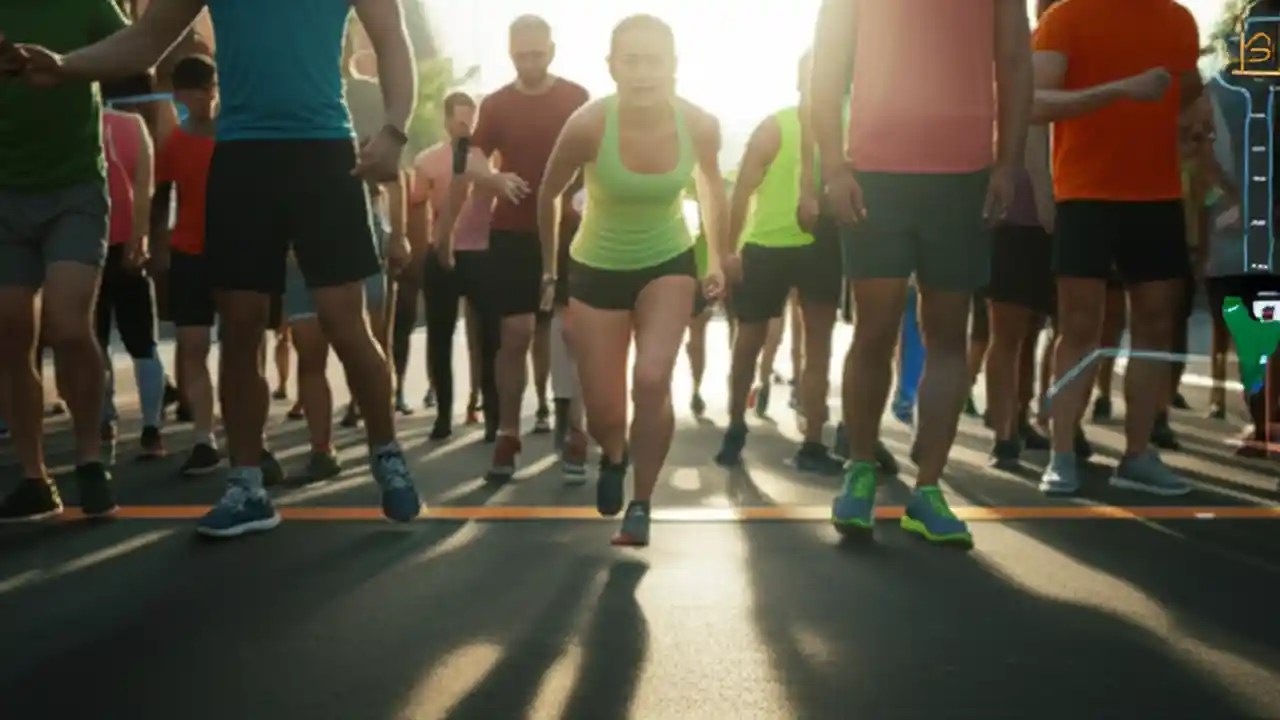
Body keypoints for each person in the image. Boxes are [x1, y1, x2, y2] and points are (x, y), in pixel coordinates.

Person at [9, 0, 424, 536]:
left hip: (322, 152)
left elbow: (392, 39)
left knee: (345, 322)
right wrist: (65, 66)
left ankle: (386, 453)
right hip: (242, 156)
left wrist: (395, 128)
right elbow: (144, 40)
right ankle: (247, 485)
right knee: (241, 322)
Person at [812, 0, 1033, 547]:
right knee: (875, 328)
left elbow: (1015, 62)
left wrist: (1008, 163)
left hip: (963, 177)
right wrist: (834, 166)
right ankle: (860, 469)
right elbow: (827, 63)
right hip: (875, 172)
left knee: (947, 334)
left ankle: (928, 491)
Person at [538, 13, 728, 546]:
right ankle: (614, 457)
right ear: (612, 66)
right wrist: (550, 269)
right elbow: (547, 194)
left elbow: (712, 188)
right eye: (631, 61)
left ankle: (642, 502)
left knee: (650, 378)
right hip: (596, 269)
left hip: (667, 261)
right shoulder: (588, 125)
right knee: (605, 411)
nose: (643, 72)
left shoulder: (699, 124)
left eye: (654, 61)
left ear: (673, 65)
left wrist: (716, 257)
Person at [1032, 0, 1202, 496]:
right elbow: (1035, 102)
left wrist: (1190, 124)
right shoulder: (1066, 17)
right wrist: (1119, 91)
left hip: (1158, 195)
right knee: (1079, 327)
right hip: (1086, 195)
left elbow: (1186, 91)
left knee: (1155, 327)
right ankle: (1061, 454)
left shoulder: (1177, 19)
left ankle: (1137, 455)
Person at [0, 0, 129, 523]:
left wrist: (66, 63)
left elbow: (131, 55)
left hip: (73, 186)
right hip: (6, 191)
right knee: (9, 333)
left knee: (68, 323)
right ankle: (35, 478)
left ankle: (90, 459)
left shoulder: (89, 3)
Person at [468, 15, 590, 482]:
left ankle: (575, 432)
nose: (530, 62)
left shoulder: (576, 98)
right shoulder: (496, 104)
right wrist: (492, 177)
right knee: (515, 334)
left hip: (572, 231)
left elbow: (596, 152)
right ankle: (507, 436)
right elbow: (473, 153)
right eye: (521, 55)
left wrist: (586, 195)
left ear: (552, 51)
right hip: (514, 231)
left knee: (570, 333)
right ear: (510, 53)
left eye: (537, 54)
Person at [715, 51, 843, 475]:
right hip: (767, 246)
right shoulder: (777, 126)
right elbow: (742, 191)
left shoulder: (847, 126)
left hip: (821, 245)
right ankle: (735, 423)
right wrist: (729, 252)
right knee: (749, 342)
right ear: (800, 80)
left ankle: (812, 443)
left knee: (818, 346)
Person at [153, 53, 222, 477]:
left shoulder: (234, 137)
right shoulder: (174, 144)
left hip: (235, 252)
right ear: (179, 96)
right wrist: (156, 246)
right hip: (188, 254)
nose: (204, 99)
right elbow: (160, 197)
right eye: (195, 92)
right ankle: (203, 438)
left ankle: (254, 438)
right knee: (193, 346)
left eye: (210, 90)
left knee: (243, 345)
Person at [98, 87, 167, 464]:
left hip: (87, 243)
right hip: (127, 244)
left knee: (95, 339)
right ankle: (151, 427)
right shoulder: (133, 124)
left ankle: (104, 419)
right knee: (143, 342)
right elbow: (146, 185)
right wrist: (139, 238)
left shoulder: (77, 126)